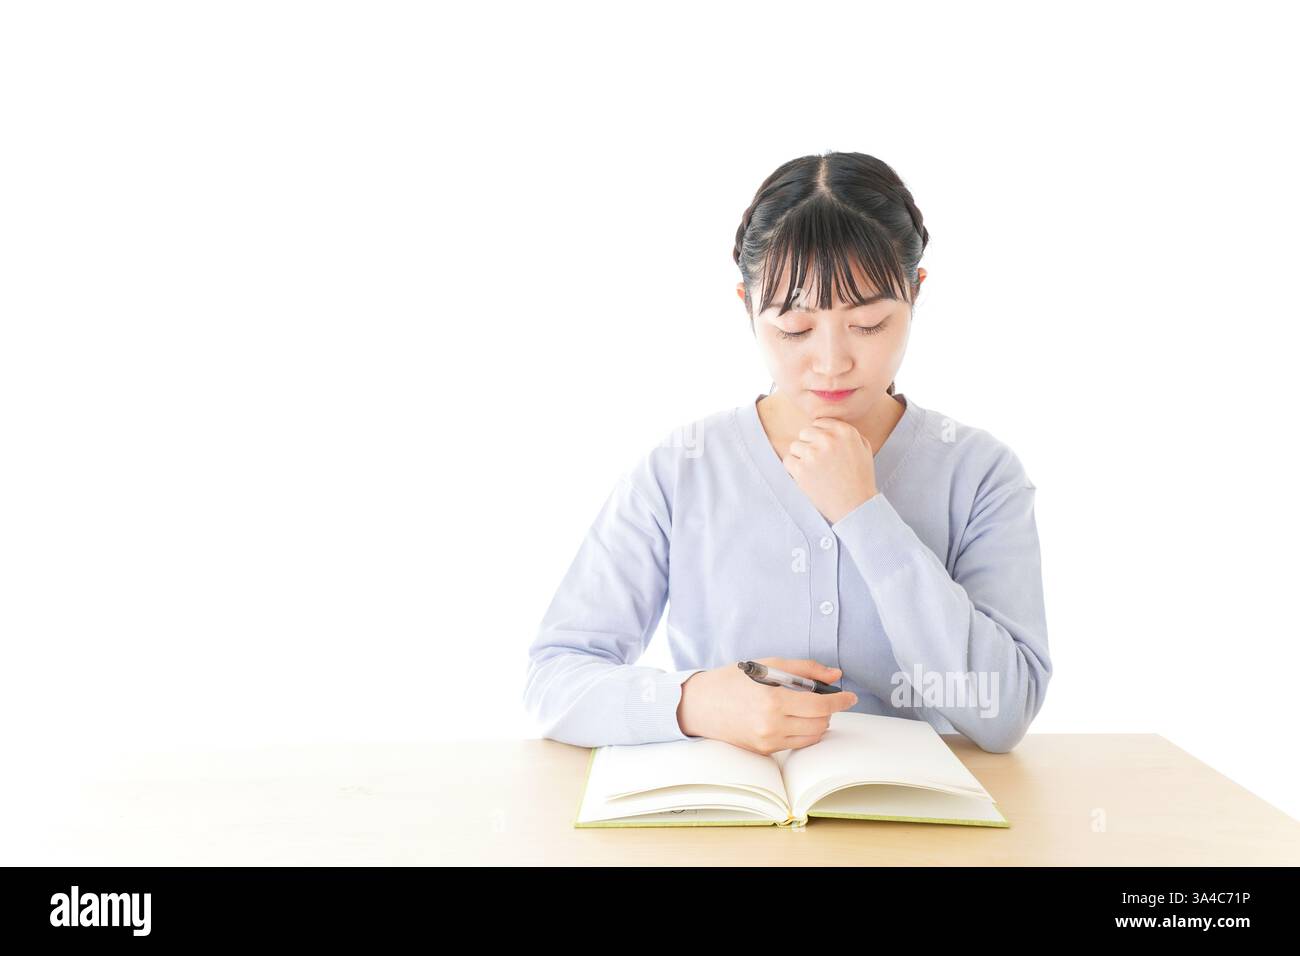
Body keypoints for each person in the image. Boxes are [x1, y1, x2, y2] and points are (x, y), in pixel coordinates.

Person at [522, 151, 1051, 756]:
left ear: (914, 292)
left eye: (870, 324)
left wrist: (865, 515)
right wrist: (693, 701)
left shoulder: (980, 474)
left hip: (912, 834)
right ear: (746, 305)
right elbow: (555, 677)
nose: (831, 362)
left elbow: (1004, 711)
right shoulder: (681, 469)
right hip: (724, 827)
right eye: (795, 329)